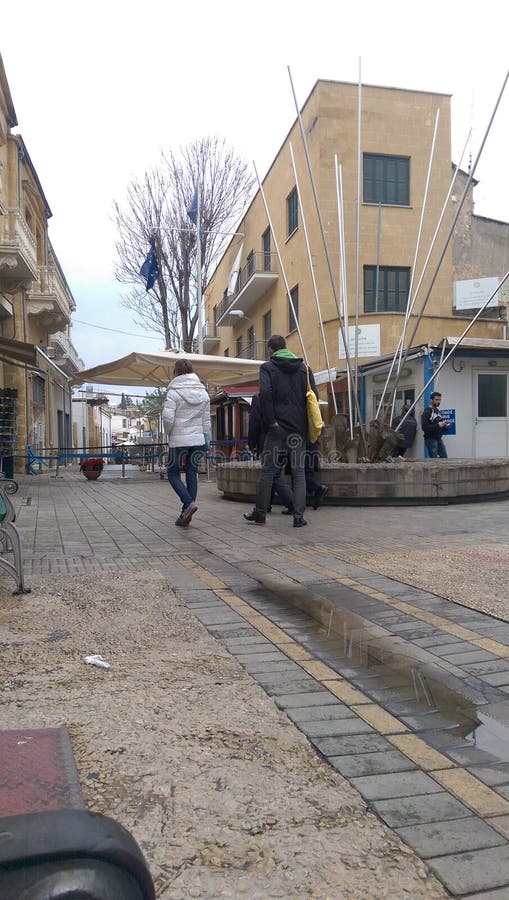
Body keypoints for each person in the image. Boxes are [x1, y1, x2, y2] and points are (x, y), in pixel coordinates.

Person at [243, 334, 318, 528]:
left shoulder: (267, 368)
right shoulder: (304, 369)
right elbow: (313, 397)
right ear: (285, 347)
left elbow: (265, 394)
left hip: (277, 427)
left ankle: (260, 514)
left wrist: (272, 422)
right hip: (298, 429)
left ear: (270, 349)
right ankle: (298, 517)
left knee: (268, 471)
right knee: (299, 473)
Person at [162, 360, 211, 527]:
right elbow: (206, 421)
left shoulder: (173, 392)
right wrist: (206, 437)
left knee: (172, 473)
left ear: (176, 372)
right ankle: (186, 512)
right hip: (198, 439)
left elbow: (168, 418)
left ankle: (188, 503)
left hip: (179, 440)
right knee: (192, 472)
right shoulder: (204, 393)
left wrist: (169, 433)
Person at [245, 393, 294, 514]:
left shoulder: (259, 398)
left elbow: (254, 422)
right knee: (272, 472)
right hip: (287, 440)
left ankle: (293, 503)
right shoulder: (285, 396)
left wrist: (252, 443)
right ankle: (266, 504)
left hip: (268, 440)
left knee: (272, 474)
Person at [421, 391, 449, 458]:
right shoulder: (427, 411)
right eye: (436, 400)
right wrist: (438, 425)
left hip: (438, 438)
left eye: (440, 400)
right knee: (434, 459)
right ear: (431, 400)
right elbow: (424, 427)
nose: (439, 401)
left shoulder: (438, 412)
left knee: (444, 457)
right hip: (430, 439)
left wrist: (445, 427)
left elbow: (439, 427)